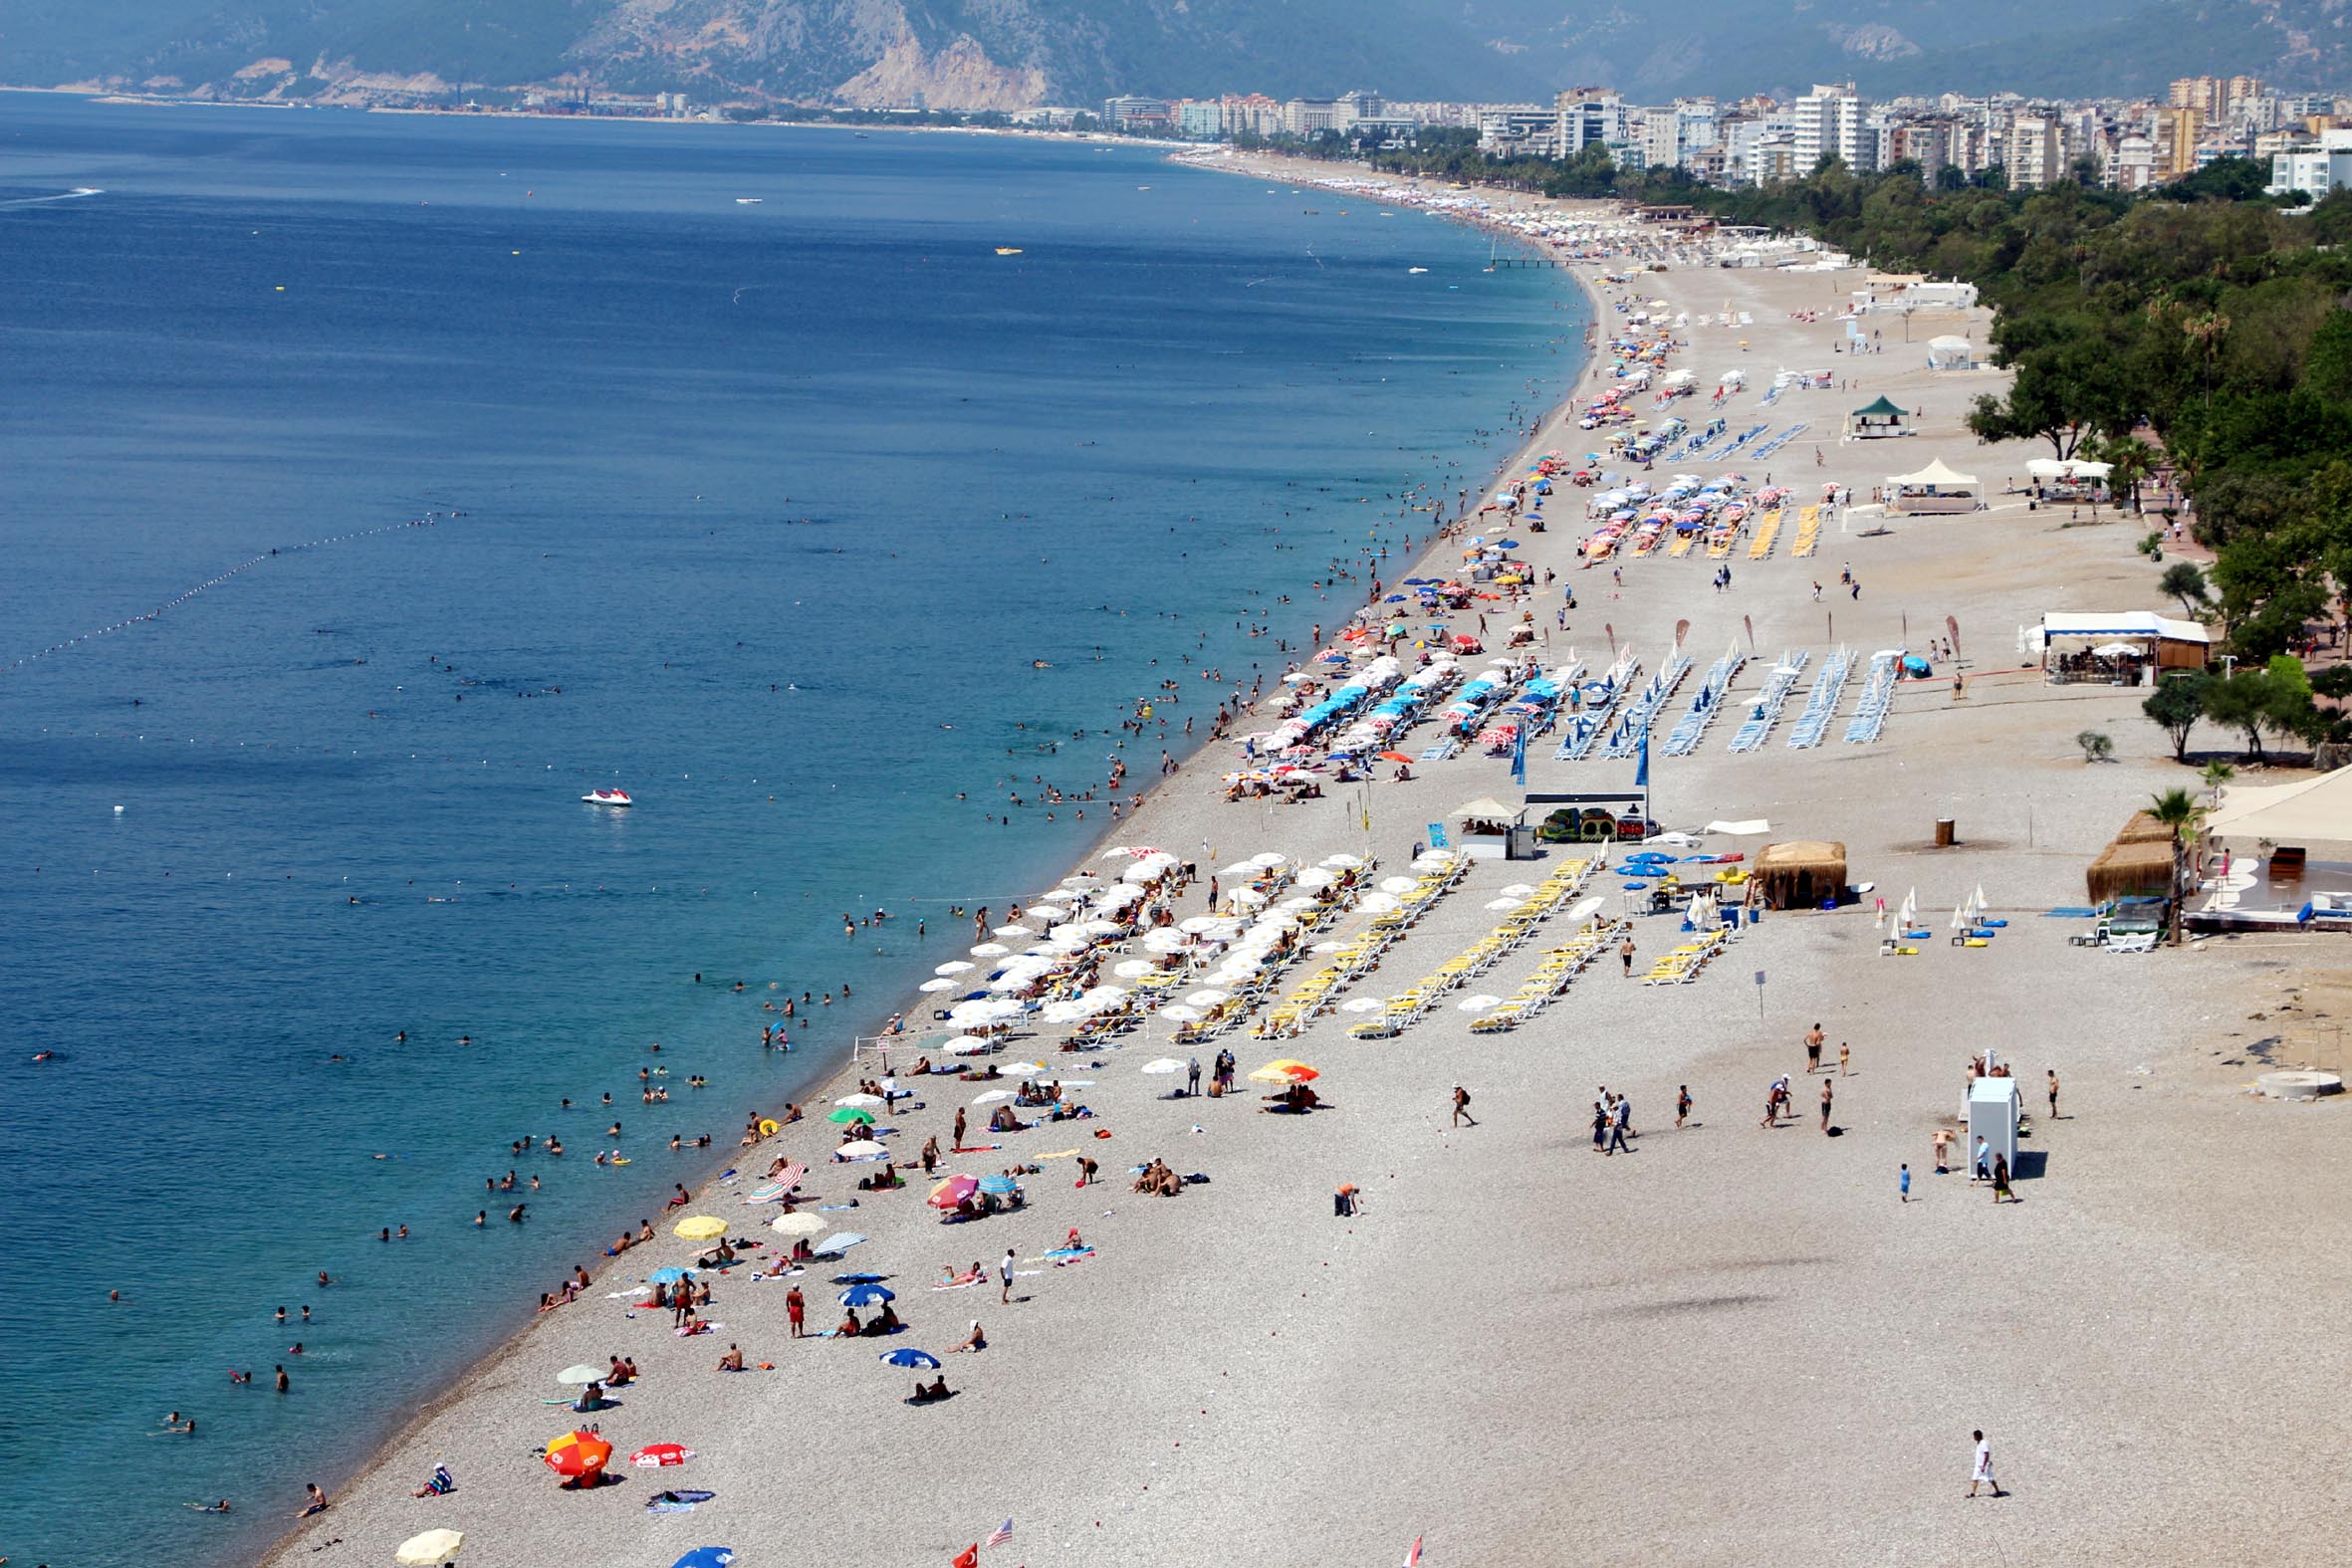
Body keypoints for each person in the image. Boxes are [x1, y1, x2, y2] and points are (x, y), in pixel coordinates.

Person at [1969, 1430, 2000, 1497]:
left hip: (1984, 1465)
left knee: (1990, 1478)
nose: (1973, 1437)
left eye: (1974, 1436)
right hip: (1978, 1465)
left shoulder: (1984, 1443)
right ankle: (1972, 1493)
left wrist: (1984, 1465)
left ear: (1977, 1436)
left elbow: (1986, 1454)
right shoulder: (1979, 1443)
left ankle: (1998, 1491)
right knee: (1975, 1478)